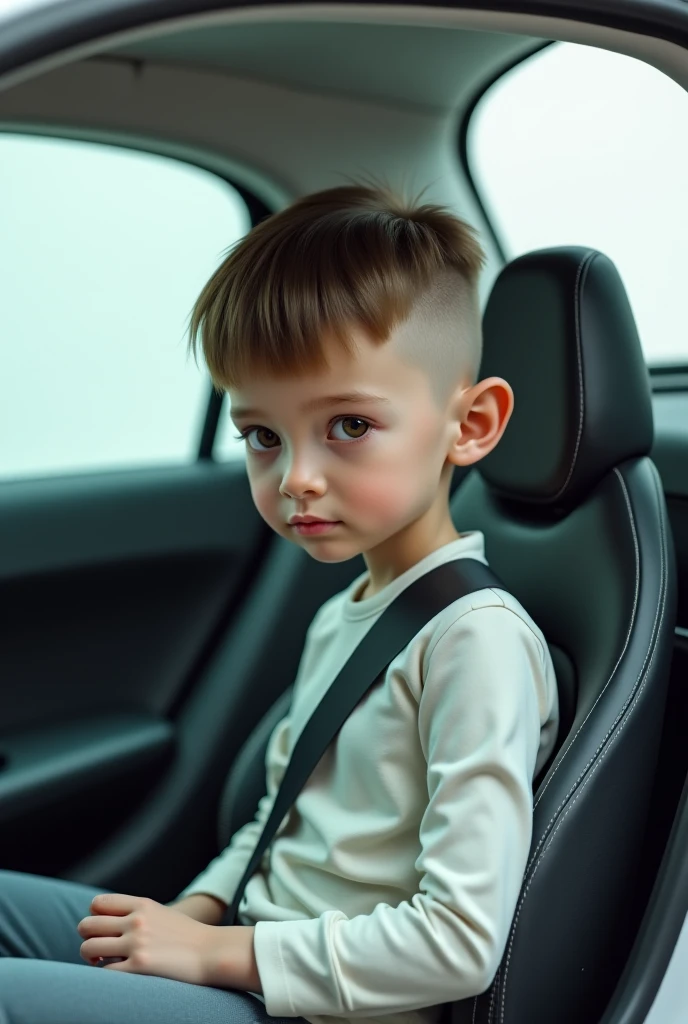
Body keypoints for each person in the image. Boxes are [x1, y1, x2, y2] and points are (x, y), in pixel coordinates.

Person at [0, 180, 559, 1024]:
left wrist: (212, 955)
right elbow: (280, 821)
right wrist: (195, 914)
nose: (295, 477)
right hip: (254, 958)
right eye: (263, 436)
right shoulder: (347, 614)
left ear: (471, 424)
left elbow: (458, 942)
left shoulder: (475, 643)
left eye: (349, 426)